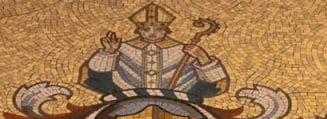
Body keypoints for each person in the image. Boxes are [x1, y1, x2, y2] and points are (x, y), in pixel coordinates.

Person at [82, 4, 227, 102]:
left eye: (158, 29)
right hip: (127, 100)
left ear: (166, 30)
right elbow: (96, 73)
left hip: (176, 102)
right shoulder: (124, 48)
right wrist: (109, 52)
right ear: (138, 30)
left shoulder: (183, 50)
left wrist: (202, 57)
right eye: (146, 29)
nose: (152, 33)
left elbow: (217, 82)